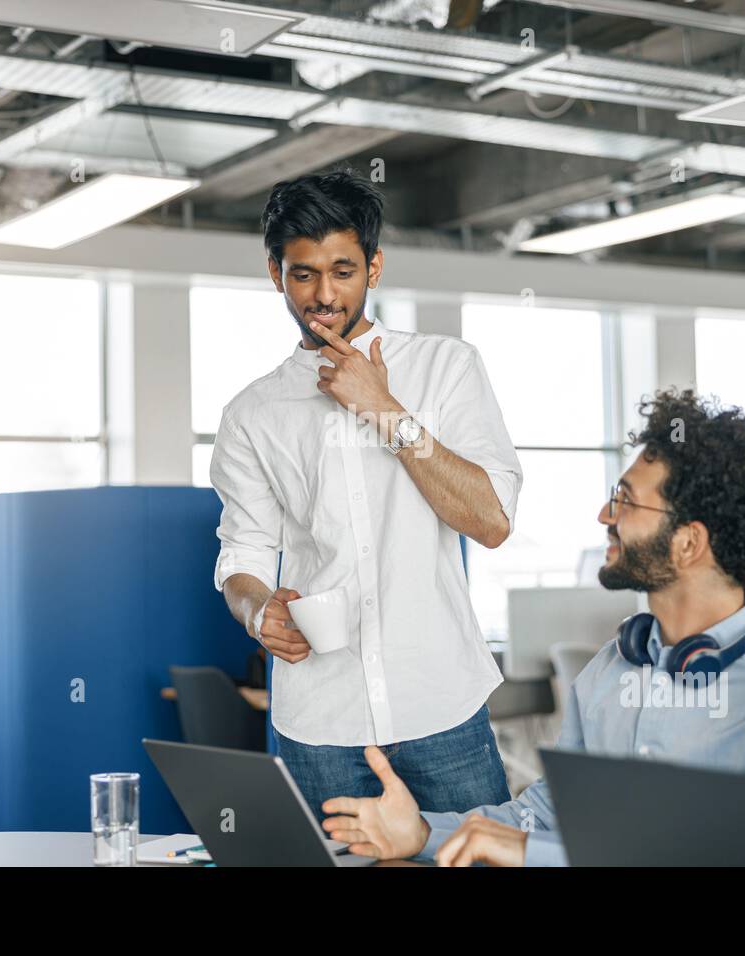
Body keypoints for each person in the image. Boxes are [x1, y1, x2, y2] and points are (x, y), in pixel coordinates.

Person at [322, 389, 745, 865]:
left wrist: (535, 855)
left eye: (624, 501)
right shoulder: (615, 666)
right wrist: (421, 832)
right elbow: (543, 817)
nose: (603, 515)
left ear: (688, 543)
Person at [209, 169, 522, 820]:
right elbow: (241, 557)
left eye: (343, 270)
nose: (323, 294)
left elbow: (490, 520)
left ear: (374, 267)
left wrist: (384, 410)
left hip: (441, 704)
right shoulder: (251, 413)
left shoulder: (446, 366)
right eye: (303, 274)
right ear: (276, 273)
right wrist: (255, 609)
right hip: (319, 719)